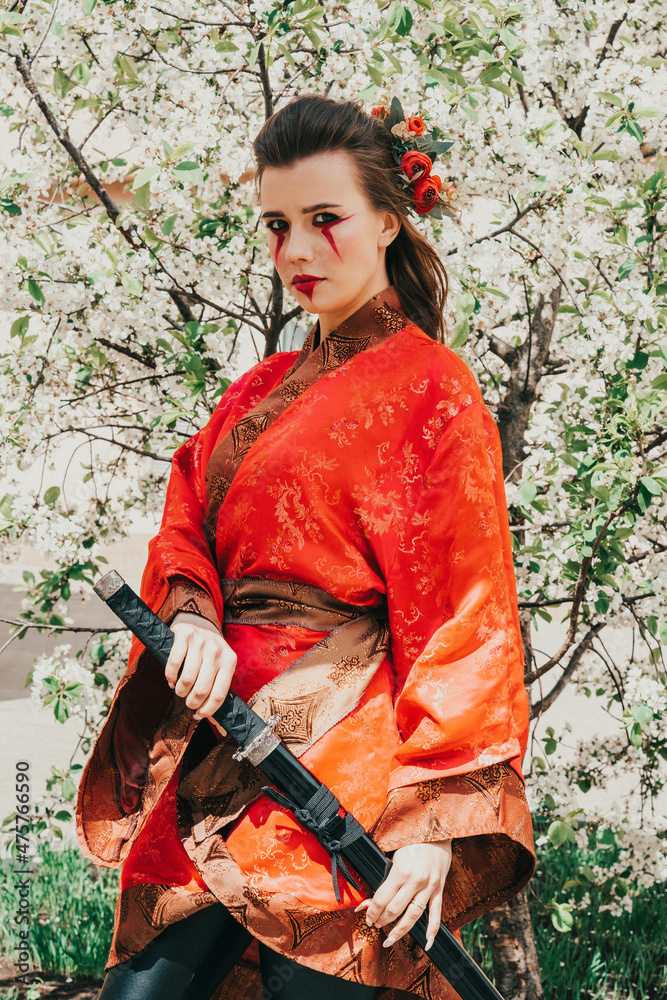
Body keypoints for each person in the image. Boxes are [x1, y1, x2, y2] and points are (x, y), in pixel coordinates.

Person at [76, 95, 536, 1000]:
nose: (295, 252)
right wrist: (195, 619)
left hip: (342, 765)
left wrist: (434, 823)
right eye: (278, 224)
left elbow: (462, 615)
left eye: (325, 220)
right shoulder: (254, 391)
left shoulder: (434, 390)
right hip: (214, 735)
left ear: (389, 221)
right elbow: (184, 523)